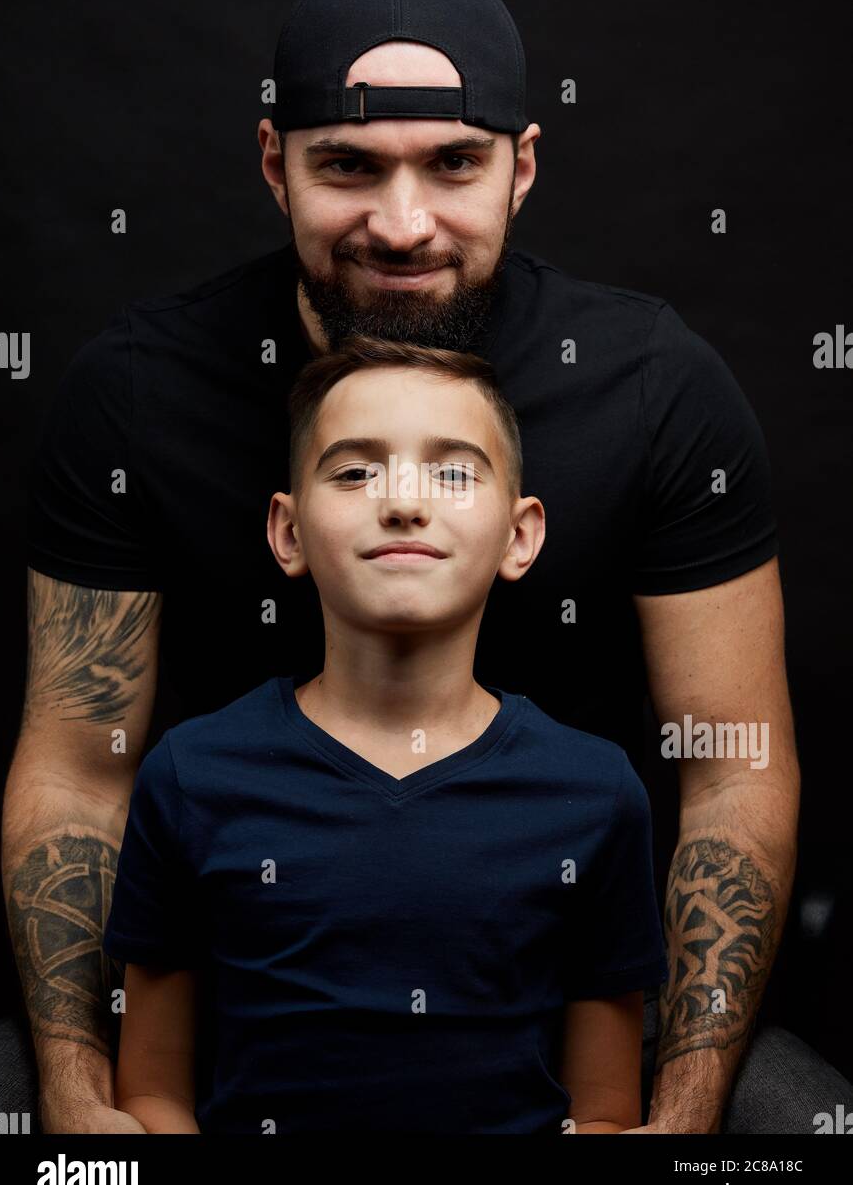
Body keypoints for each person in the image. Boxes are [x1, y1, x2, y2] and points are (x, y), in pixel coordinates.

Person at [0, 0, 845, 1134]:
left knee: (796, 1131)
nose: (401, 227)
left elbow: (733, 767)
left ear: (520, 166)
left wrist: (680, 1109)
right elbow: (79, 772)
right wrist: (86, 1096)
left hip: (563, 1000)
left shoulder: (656, 388)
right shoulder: (137, 392)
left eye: (453, 164)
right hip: (244, 996)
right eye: (346, 165)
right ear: (273, 162)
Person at [101, 337, 669, 1134]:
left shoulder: (596, 793)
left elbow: (604, 1112)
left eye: (454, 471)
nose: (404, 502)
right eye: (357, 471)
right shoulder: (192, 775)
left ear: (520, 535)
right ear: (288, 532)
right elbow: (153, 1094)